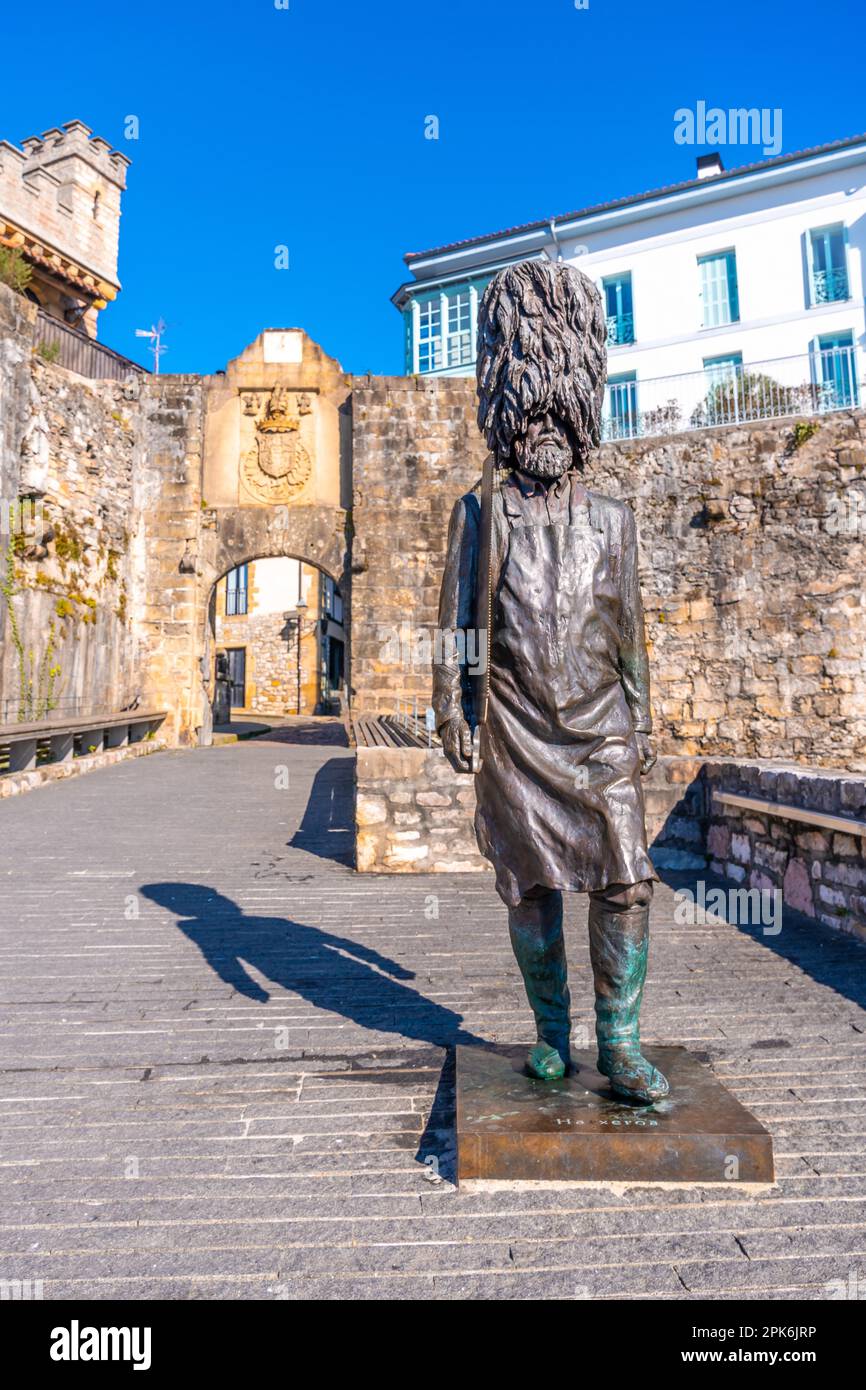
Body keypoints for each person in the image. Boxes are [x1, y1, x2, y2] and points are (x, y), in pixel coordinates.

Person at [432, 260, 667, 1103]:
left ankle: (622, 1042)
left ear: (580, 416)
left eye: (556, 417)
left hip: (600, 725)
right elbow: (457, 621)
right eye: (528, 416)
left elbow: (630, 630)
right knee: (531, 886)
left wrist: (643, 716)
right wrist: (452, 705)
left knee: (626, 880)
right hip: (514, 721)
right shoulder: (479, 514)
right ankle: (549, 1035)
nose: (543, 433)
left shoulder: (614, 519)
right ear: (507, 415)